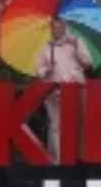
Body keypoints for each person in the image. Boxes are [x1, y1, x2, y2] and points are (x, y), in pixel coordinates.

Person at [34, 17, 93, 163]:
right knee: (55, 124)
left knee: (79, 122)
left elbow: (88, 62)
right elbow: (39, 69)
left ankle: (79, 155)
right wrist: (45, 71)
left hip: (75, 88)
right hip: (54, 90)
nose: (57, 30)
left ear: (65, 28)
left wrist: (77, 49)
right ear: (50, 29)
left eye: (60, 27)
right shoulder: (46, 48)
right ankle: (57, 159)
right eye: (54, 27)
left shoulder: (76, 43)